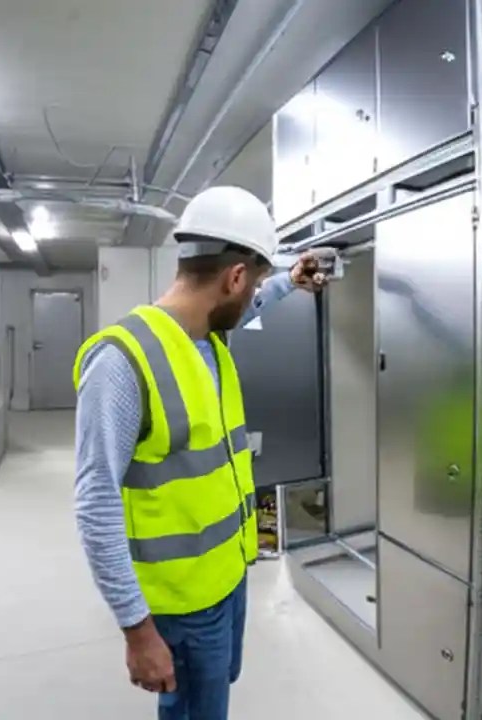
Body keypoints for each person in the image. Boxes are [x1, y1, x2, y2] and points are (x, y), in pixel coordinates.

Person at [72, 186, 326, 720]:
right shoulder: (122, 360)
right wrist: (137, 629)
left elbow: (248, 305)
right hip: (181, 602)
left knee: (208, 700)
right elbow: (96, 503)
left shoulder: (206, 339)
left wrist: (285, 283)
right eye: (252, 280)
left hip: (227, 576)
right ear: (234, 276)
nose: (254, 293)